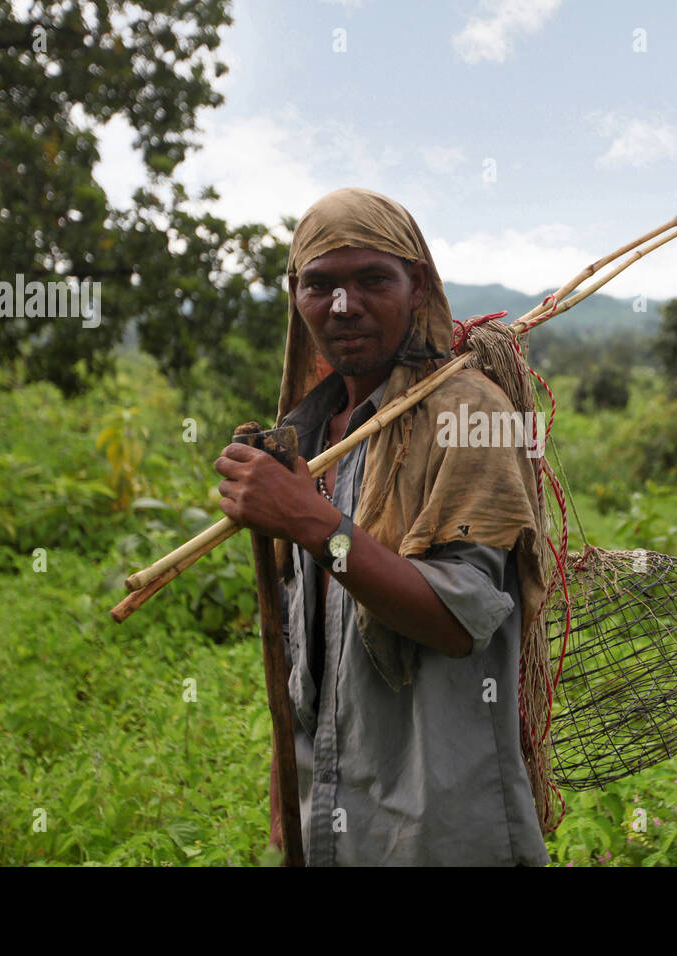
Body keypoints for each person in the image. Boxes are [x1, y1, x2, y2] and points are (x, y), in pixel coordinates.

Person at [213, 187, 558, 865]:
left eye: (372, 279)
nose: (343, 307)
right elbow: (305, 648)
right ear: (295, 295)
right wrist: (291, 785)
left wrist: (313, 522)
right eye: (319, 285)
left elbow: (456, 622)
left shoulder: (469, 416)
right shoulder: (305, 435)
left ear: (417, 285)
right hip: (333, 809)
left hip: (443, 821)